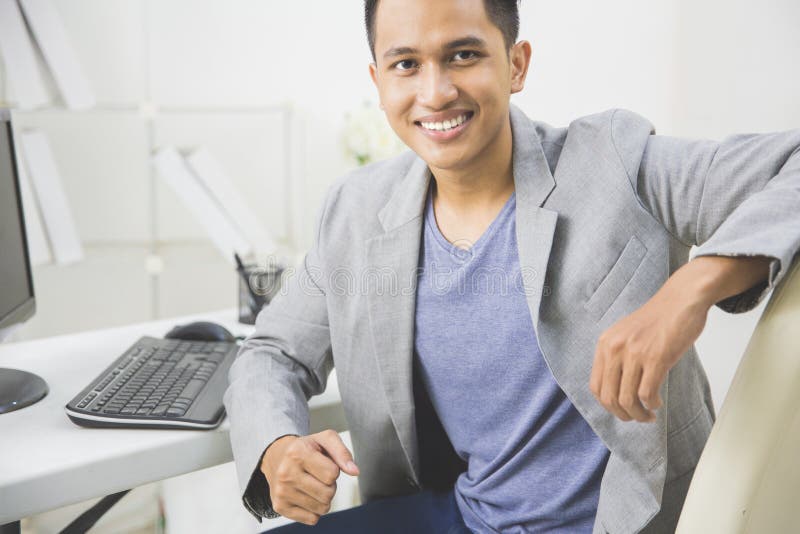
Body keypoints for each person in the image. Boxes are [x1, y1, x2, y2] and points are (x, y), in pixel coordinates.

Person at [223, 0, 800, 532]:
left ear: (516, 64)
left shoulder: (614, 164)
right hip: (463, 516)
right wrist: (276, 446)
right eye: (405, 64)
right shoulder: (354, 212)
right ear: (378, 81)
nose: (436, 90)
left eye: (464, 55)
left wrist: (690, 290)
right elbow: (272, 352)